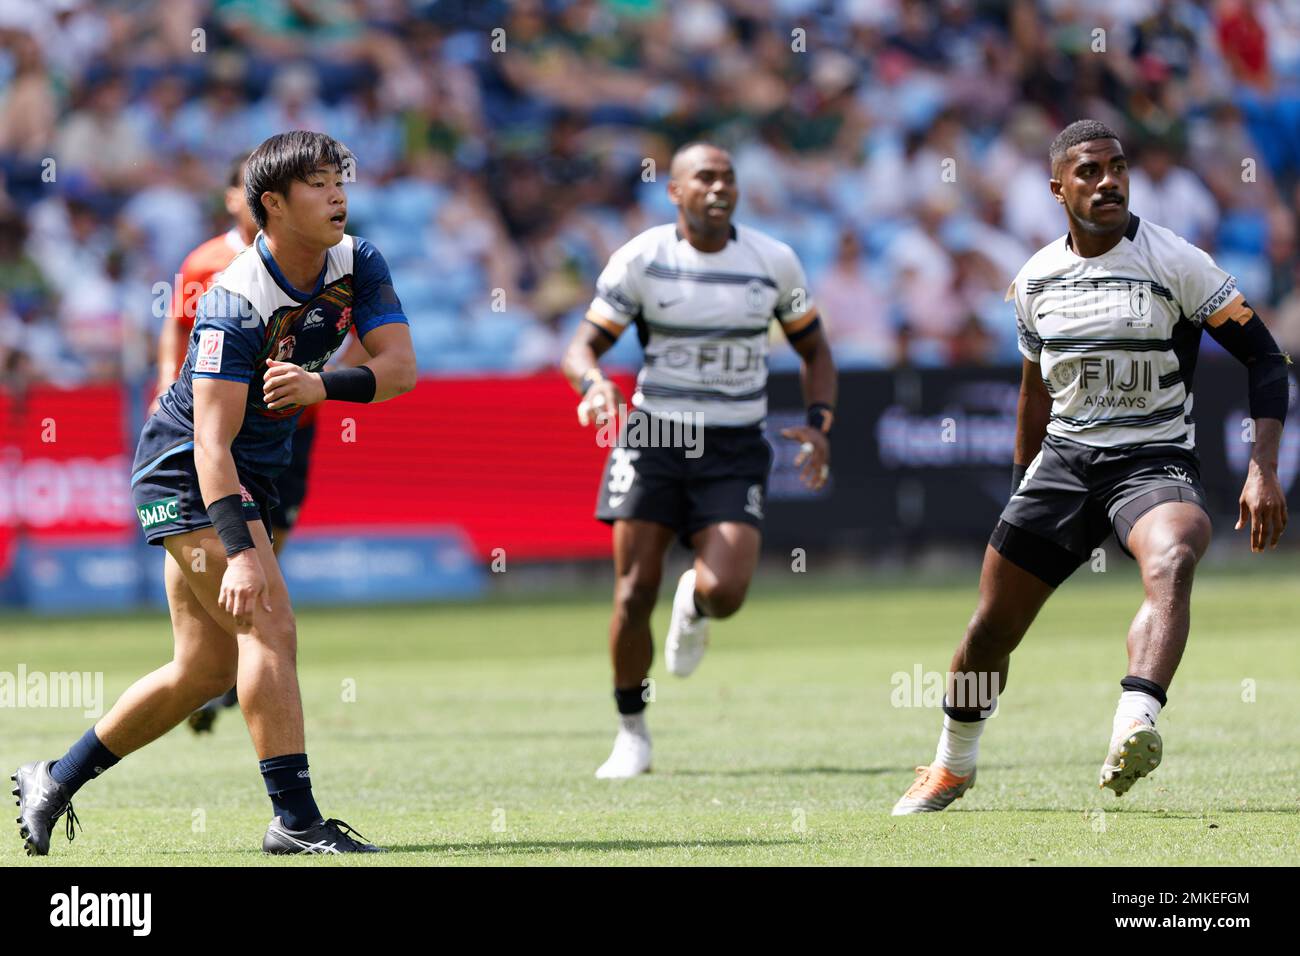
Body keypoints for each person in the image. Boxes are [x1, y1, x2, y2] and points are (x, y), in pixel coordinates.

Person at [12, 131, 417, 855]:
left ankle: (53, 776)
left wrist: (321, 384)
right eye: (319, 184)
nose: (338, 194)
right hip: (186, 470)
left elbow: (402, 369)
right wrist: (240, 553)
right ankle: (295, 822)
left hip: (248, 467)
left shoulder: (359, 261)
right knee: (270, 626)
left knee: (203, 670)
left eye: (339, 180)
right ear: (272, 204)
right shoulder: (234, 301)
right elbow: (208, 444)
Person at [892, 120, 1290, 814]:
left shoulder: (1177, 262)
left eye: (1117, 167)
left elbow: (1264, 356)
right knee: (990, 628)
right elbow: (1033, 393)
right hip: (1065, 463)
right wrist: (1022, 485)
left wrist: (1262, 468)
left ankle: (1134, 720)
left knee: (1174, 556)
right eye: (1089, 171)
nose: (1108, 180)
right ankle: (952, 764)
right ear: (1057, 187)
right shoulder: (1035, 280)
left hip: (1153, 459)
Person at [561, 142, 838, 779]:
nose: (719, 188)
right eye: (704, 178)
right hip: (654, 437)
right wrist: (595, 385)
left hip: (734, 444)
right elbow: (581, 347)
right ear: (675, 191)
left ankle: (696, 605)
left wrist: (821, 424)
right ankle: (632, 732)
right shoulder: (643, 258)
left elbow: (817, 353)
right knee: (633, 592)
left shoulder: (773, 261)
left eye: (728, 178)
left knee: (728, 591)